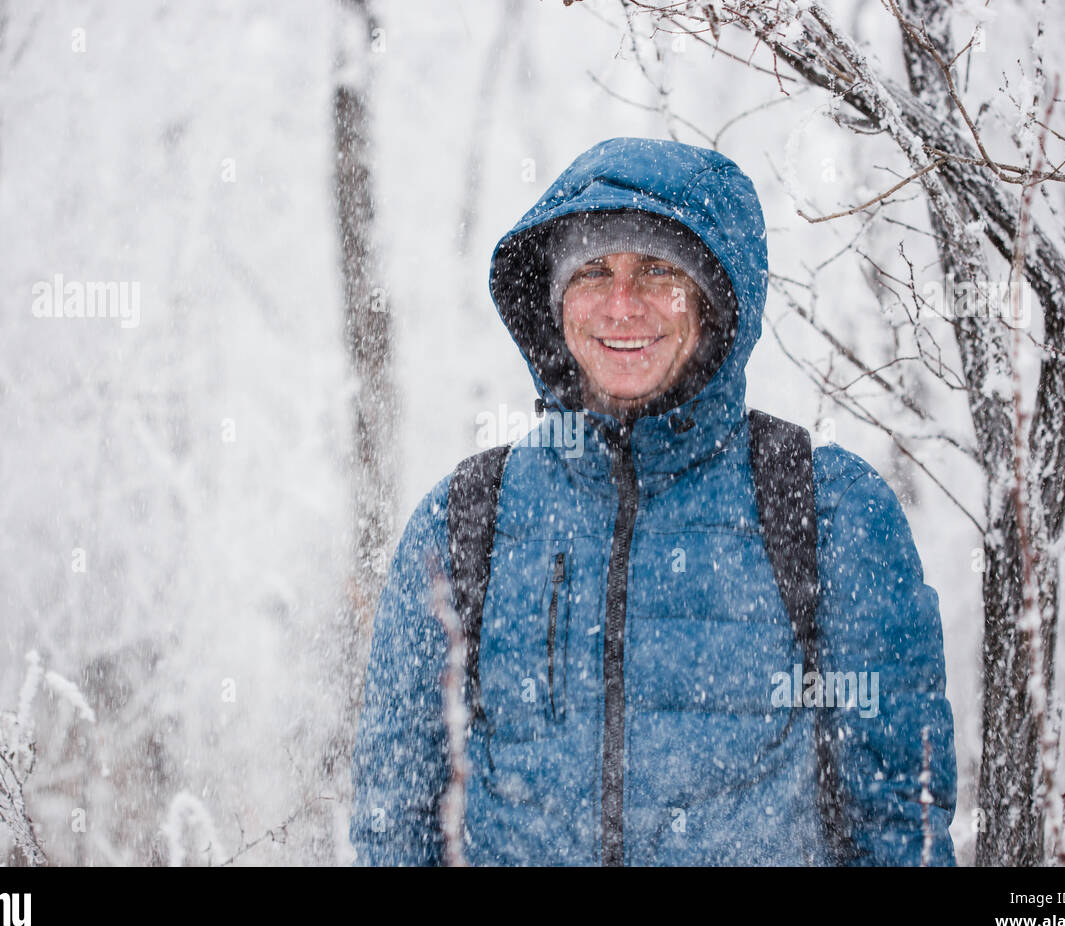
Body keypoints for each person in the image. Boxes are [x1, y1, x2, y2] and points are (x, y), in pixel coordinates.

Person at [349, 136, 957, 866]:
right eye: (593, 271)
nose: (622, 304)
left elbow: (899, 824)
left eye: (659, 271)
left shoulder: (828, 510)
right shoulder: (465, 519)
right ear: (554, 303)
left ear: (713, 299)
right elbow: (394, 813)